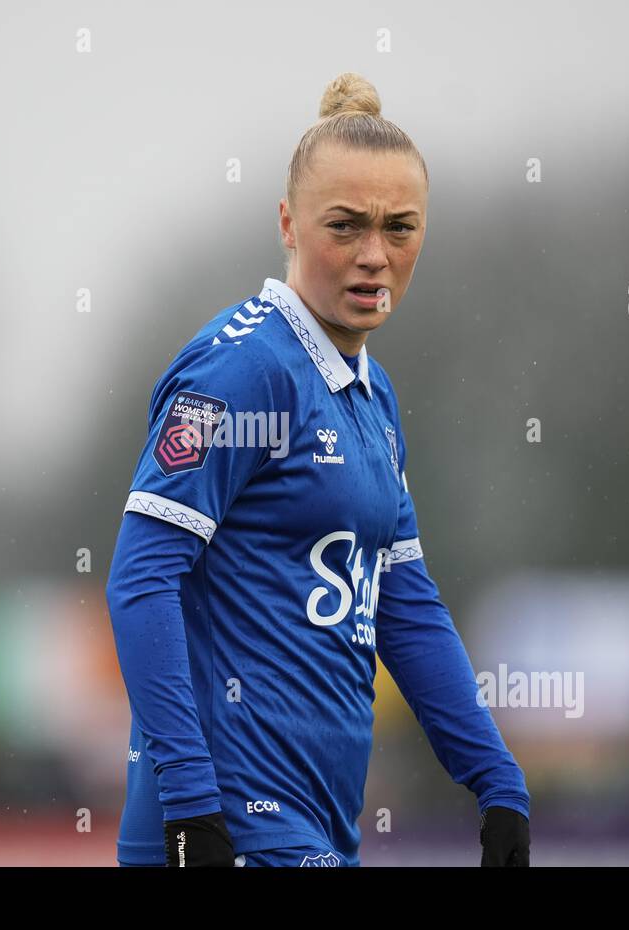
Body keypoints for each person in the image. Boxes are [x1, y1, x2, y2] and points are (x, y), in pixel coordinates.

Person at [105, 72, 530, 867]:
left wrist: (497, 779)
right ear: (288, 225)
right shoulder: (241, 372)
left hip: (317, 823)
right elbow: (139, 579)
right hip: (230, 820)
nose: (375, 256)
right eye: (346, 226)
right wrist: (193, 801)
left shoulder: (373, 395)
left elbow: (403, 602)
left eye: (400, 228)